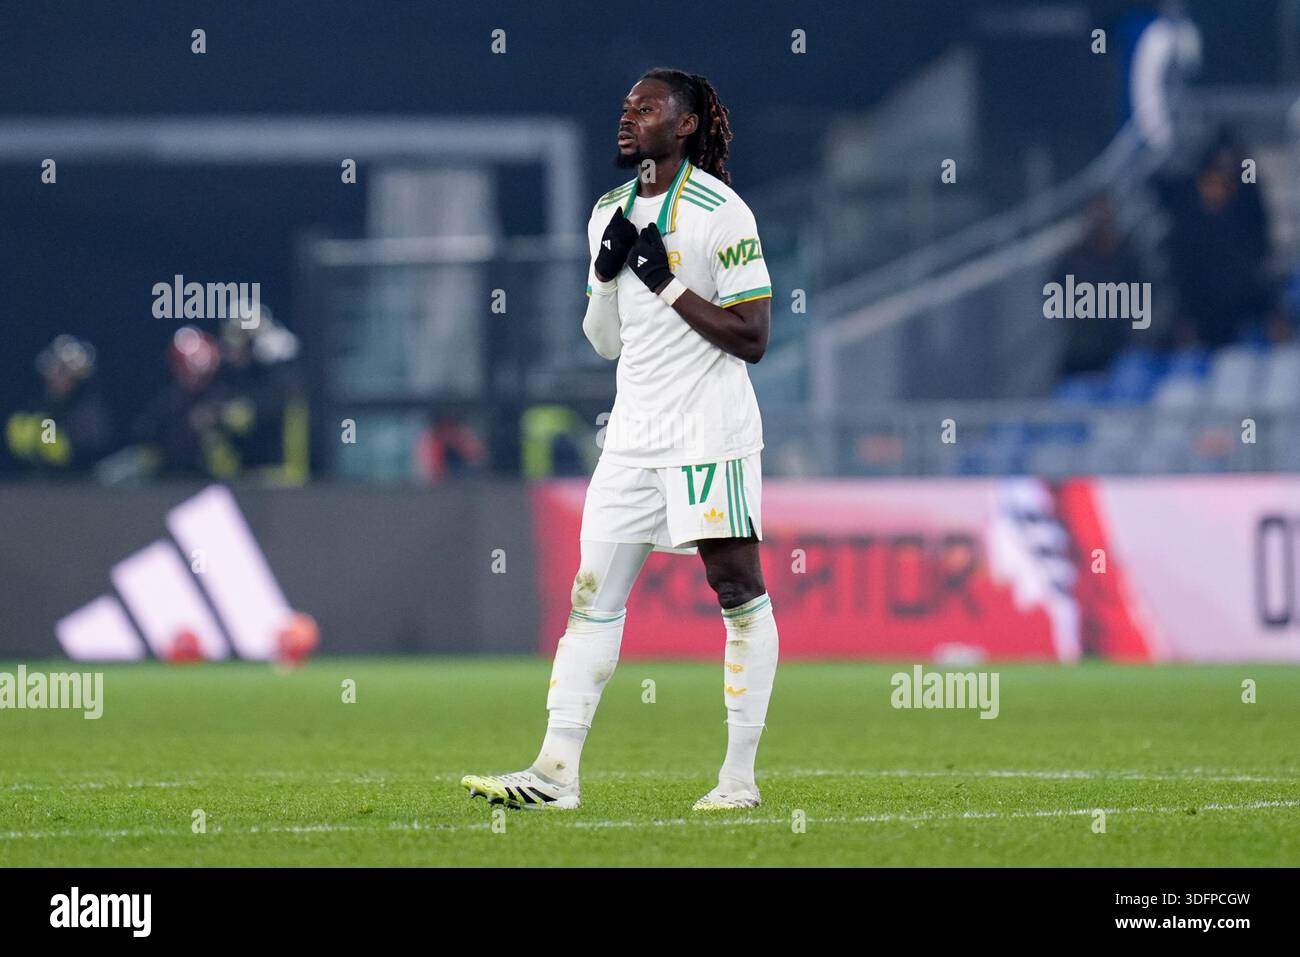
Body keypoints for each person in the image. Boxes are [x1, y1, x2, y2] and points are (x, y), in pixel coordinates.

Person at [461, 68, 779, 811]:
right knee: (591, 598)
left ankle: (739, 778)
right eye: (625, 108)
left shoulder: (721, 211)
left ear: (688, 123)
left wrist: (667, 283)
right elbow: (603, 342)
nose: (628, 118)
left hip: (709, 434)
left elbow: (755, 336)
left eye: (646, 108)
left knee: (737, 594)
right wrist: (607, 279)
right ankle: (554, 773)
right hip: (632, 436)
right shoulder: (607, 209)